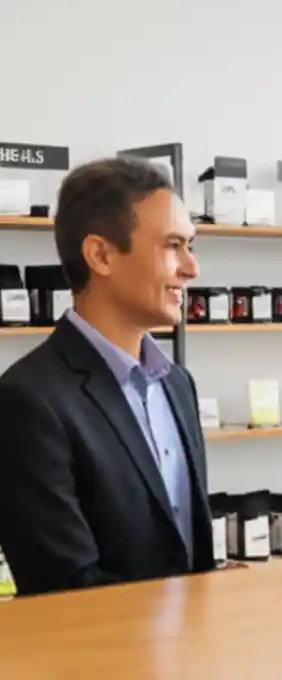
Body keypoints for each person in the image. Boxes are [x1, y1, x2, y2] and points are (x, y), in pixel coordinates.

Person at [0, 157, 215, 595]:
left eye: (190, 246)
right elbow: (64, 587)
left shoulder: (178, 385)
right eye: (173, 245)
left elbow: (191, 555)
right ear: (101, 255)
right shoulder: (28, 400)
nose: (192, 268)